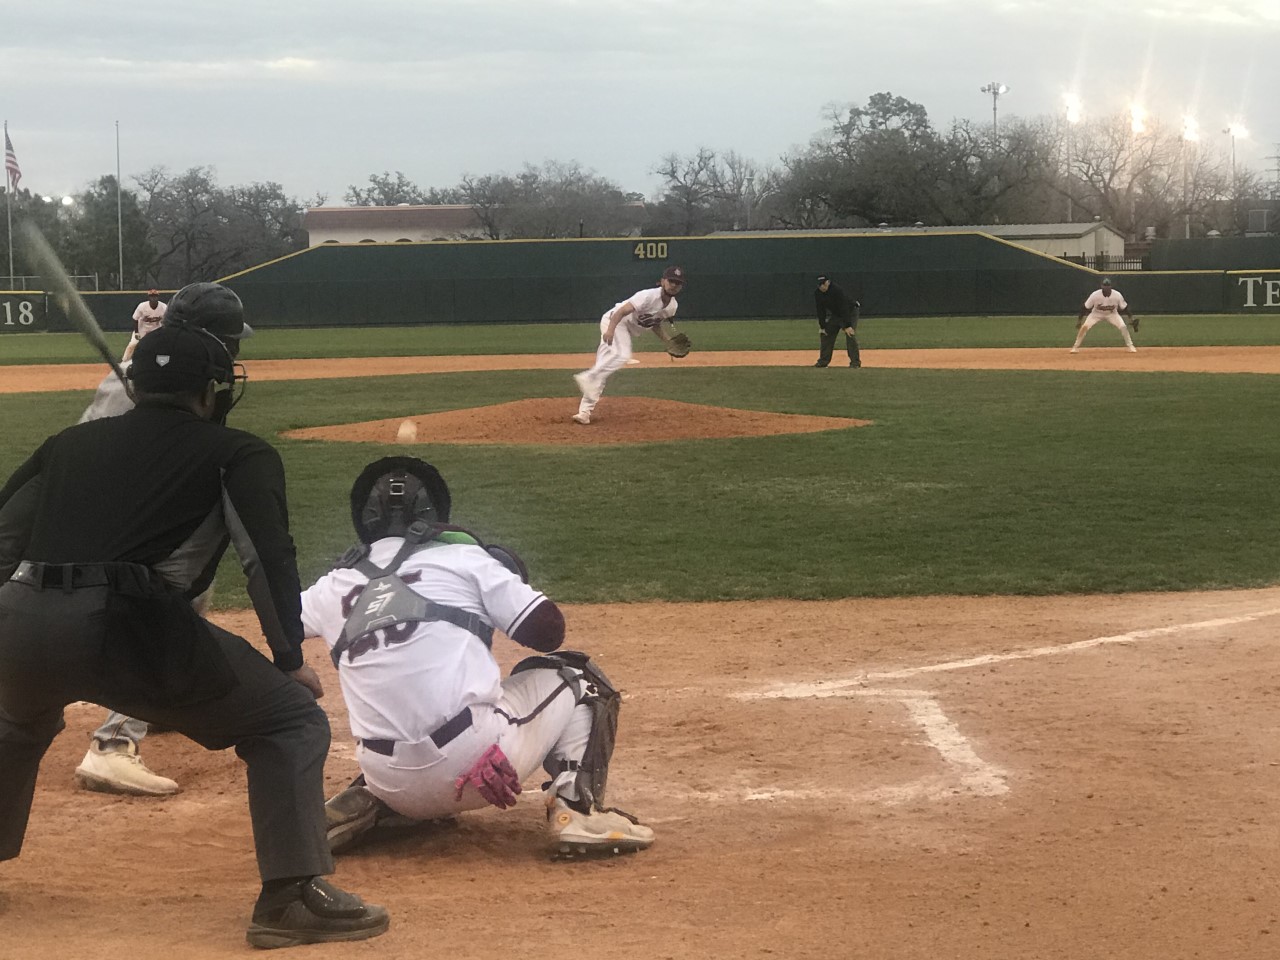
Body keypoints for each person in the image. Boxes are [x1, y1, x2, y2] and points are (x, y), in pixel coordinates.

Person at [0, 322, 389, 948]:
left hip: (21, 619)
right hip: (131, 624)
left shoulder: (66, 443)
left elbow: (4, 539)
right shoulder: (237, 451)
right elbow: (265, 557)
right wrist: (288, 656)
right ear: (213, 390)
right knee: (290, 722)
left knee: (16, 723)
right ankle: (289, 898)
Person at [308, 456, 655, 858]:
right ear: (435, 512)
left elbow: (279, 624)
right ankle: (577, 810)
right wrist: (492, 570)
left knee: (397, 741)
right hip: (476, 766)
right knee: (578, 674)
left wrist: (294, 665)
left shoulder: (333, 584)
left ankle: (373, 804)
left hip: (387, 779)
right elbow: (548, 632)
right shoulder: (463, 559)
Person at [74, 283, 253, 798]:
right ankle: (112, 743)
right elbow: (94, 457)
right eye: (229, 340)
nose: (235, 351)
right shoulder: (139, 382)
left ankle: (153, 700)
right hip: (110, 527)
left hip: (128, 522)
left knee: (193, 588)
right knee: (165, 606)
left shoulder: (176, 377)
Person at [571, 265, 687, 425]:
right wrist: (610, 330)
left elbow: (654, 324)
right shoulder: (647, 296)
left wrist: (668, 340)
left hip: (623, 328)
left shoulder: (672, 307)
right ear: (662, 281)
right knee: (622, 355)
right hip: (615, 322)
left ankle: (584, 412)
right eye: (671, 281)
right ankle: (588, 376)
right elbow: (621, 312)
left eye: (678, 283)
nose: (674, 285)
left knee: (603, 368)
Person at [1071, 277, 1137, 354]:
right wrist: (1079, 320)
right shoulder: (1095, 295)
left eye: (1108, 286)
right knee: (1084, 327)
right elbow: (1085, 308)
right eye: (1105, 286)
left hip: (1112, 314)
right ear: (1101, 286)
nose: (1106, 287)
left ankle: (1130, 346)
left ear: (1111, 286)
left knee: (1123, 327)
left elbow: (1125, 308)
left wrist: (1131, 318)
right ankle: (1075, 347)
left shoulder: (1117, 295)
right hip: (1096, 314)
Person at [814, 275, 861, 368]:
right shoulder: (818, 293)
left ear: (828, 282)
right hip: (836, 315)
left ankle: (855, 363)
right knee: (826, 333)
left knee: (850, 335)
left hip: (850, 312)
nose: (821, 287)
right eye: (819, 285)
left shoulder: (836, 290)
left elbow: (844, 307)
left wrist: (848, 325)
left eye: (823, 284)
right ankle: (823, 361)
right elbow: (820, 310)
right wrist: (822, 326)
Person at [122, 289, 167, 362]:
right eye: (151, 296)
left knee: (161, 346)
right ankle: (124, 361)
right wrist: (136, 332)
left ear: (158, 297)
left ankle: (162, 363)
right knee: (133, 344)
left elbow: (167, 319)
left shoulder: (163, 307)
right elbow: (135, 319)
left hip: (155, 329)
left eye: (155, 296)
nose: (153, 298)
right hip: (142, 329)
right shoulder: (142, 306)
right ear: (148, 297)